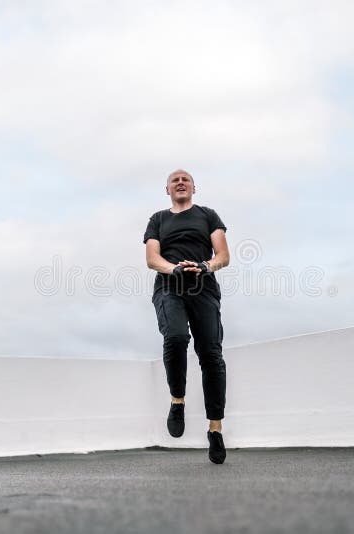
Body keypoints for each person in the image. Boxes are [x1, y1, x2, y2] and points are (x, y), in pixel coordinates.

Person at [143, 169, 230, 464]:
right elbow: (152, 258)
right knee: (177, 336)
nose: (180, 182)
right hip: (169, 287)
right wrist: (174, 269)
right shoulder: (158, 219)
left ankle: (215, 429)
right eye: (174, 180)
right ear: (167, 189)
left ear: (194, 187)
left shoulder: (208, 216)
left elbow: (223, 255)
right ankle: (177, 400)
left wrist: (206, 266)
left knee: (211, 355)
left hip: (204, 289)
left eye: (186, 179)